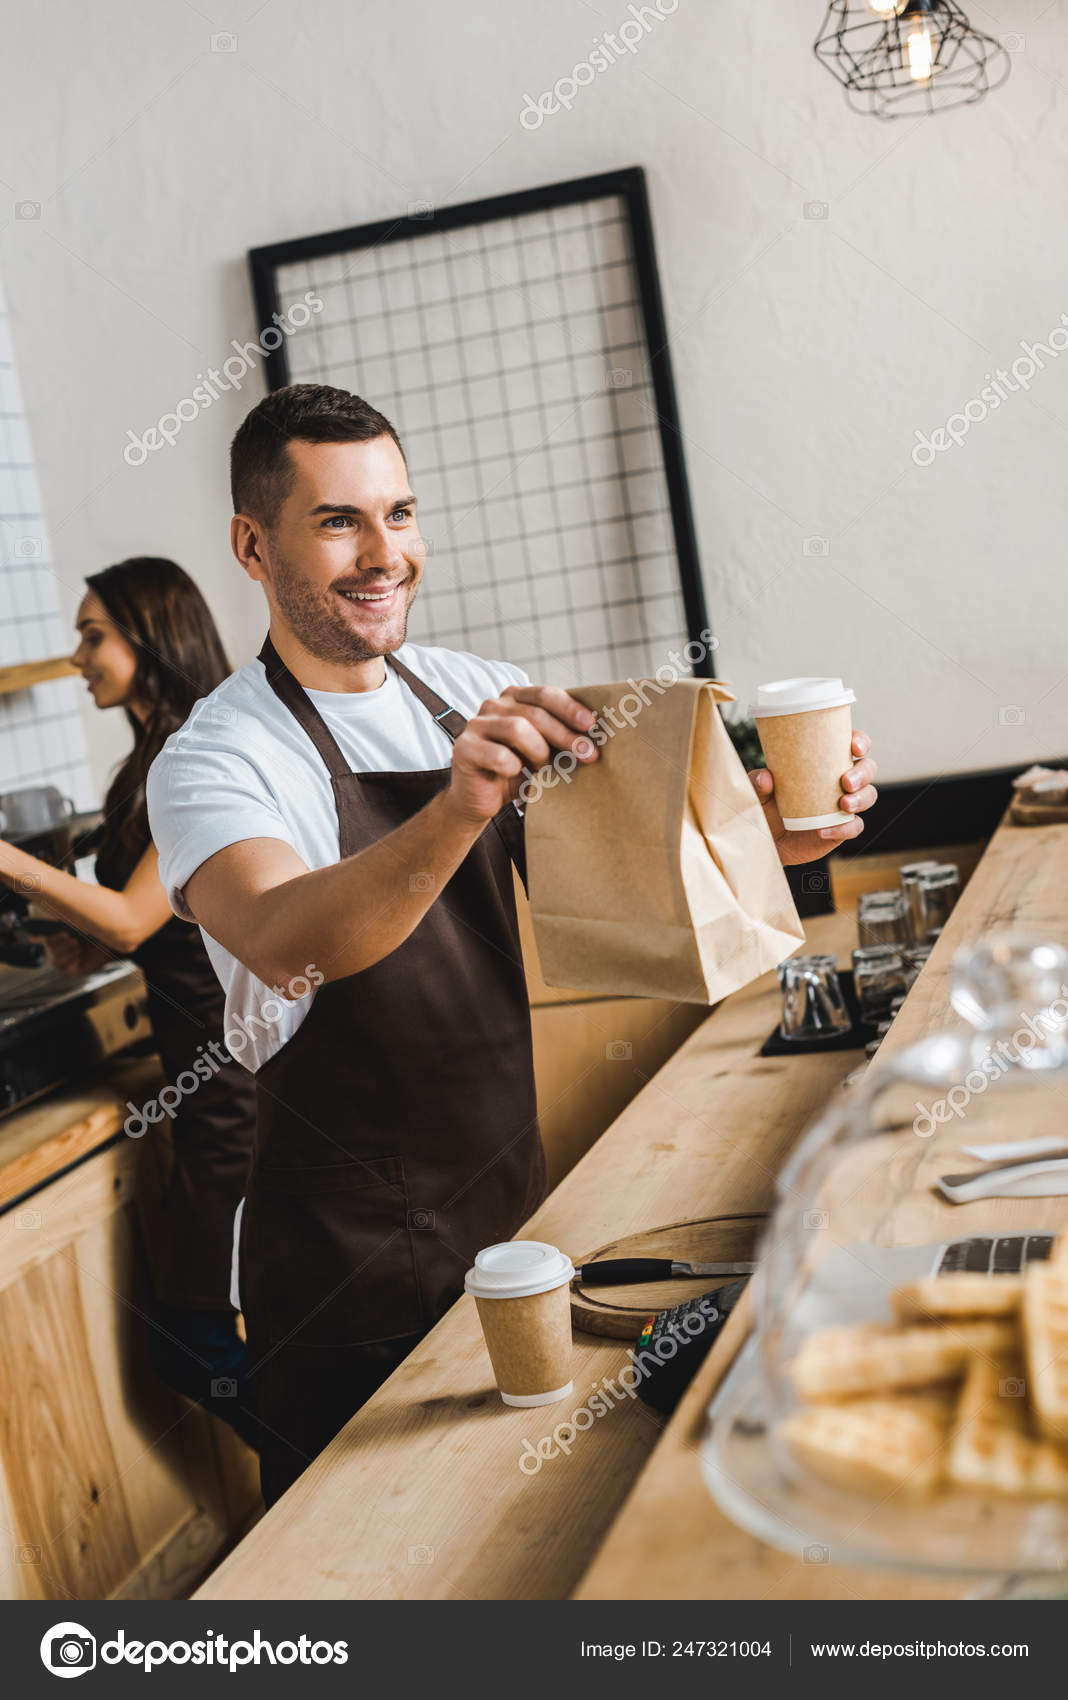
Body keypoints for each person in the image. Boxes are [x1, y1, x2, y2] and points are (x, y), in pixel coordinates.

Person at [146, 384, 879, 1505]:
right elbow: (291, 934)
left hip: (514, 1220)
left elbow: (638, 873)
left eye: (399, 513)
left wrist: (786, 825)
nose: (382, 552)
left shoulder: (470, 691)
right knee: (366, 1573)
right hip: (343, 1281)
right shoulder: (215, 758)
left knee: (521, 1533)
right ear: (253, 544)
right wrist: (456, 808)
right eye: (339, 520)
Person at [0, 558, 259, 1448]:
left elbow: (136, 912)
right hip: (208, 1081)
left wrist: (8, 859)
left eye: (93, 635)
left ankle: (325, 1474)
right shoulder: (147, 761)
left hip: (232, 1089)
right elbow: (148, 923)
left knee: (195, 1346)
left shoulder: (192, 752)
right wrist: (88, 938)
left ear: (151, 639)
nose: (78, 656)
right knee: (198, 1342)